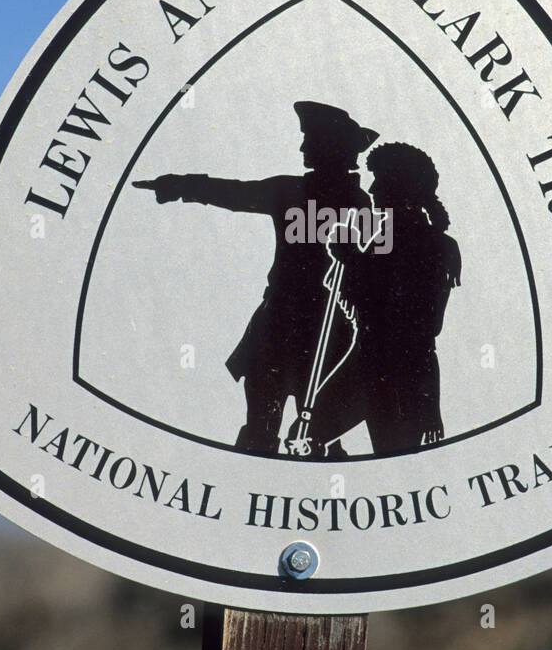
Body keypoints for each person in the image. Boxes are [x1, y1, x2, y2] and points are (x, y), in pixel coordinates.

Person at [133, 101, 377, 455]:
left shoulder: (360, 203)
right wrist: (177, 185)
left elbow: (371, 271)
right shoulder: (292, 191)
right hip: (278, 324)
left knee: (316, 435)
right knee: (262, 426)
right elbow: (234, 194)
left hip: (325, 327)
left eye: (309, 140)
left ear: (330, 146)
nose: (302, 148)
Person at [309, 142, 461, 455]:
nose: (373, 188)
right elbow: (362, 304)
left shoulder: (435, 246)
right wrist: (350, 259)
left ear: (401, 185)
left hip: (401, 376)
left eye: (380, 179)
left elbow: (421, 324)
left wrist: (351, 259)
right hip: (366, 363)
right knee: (308, 437)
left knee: (393, 464)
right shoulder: (383, 238)